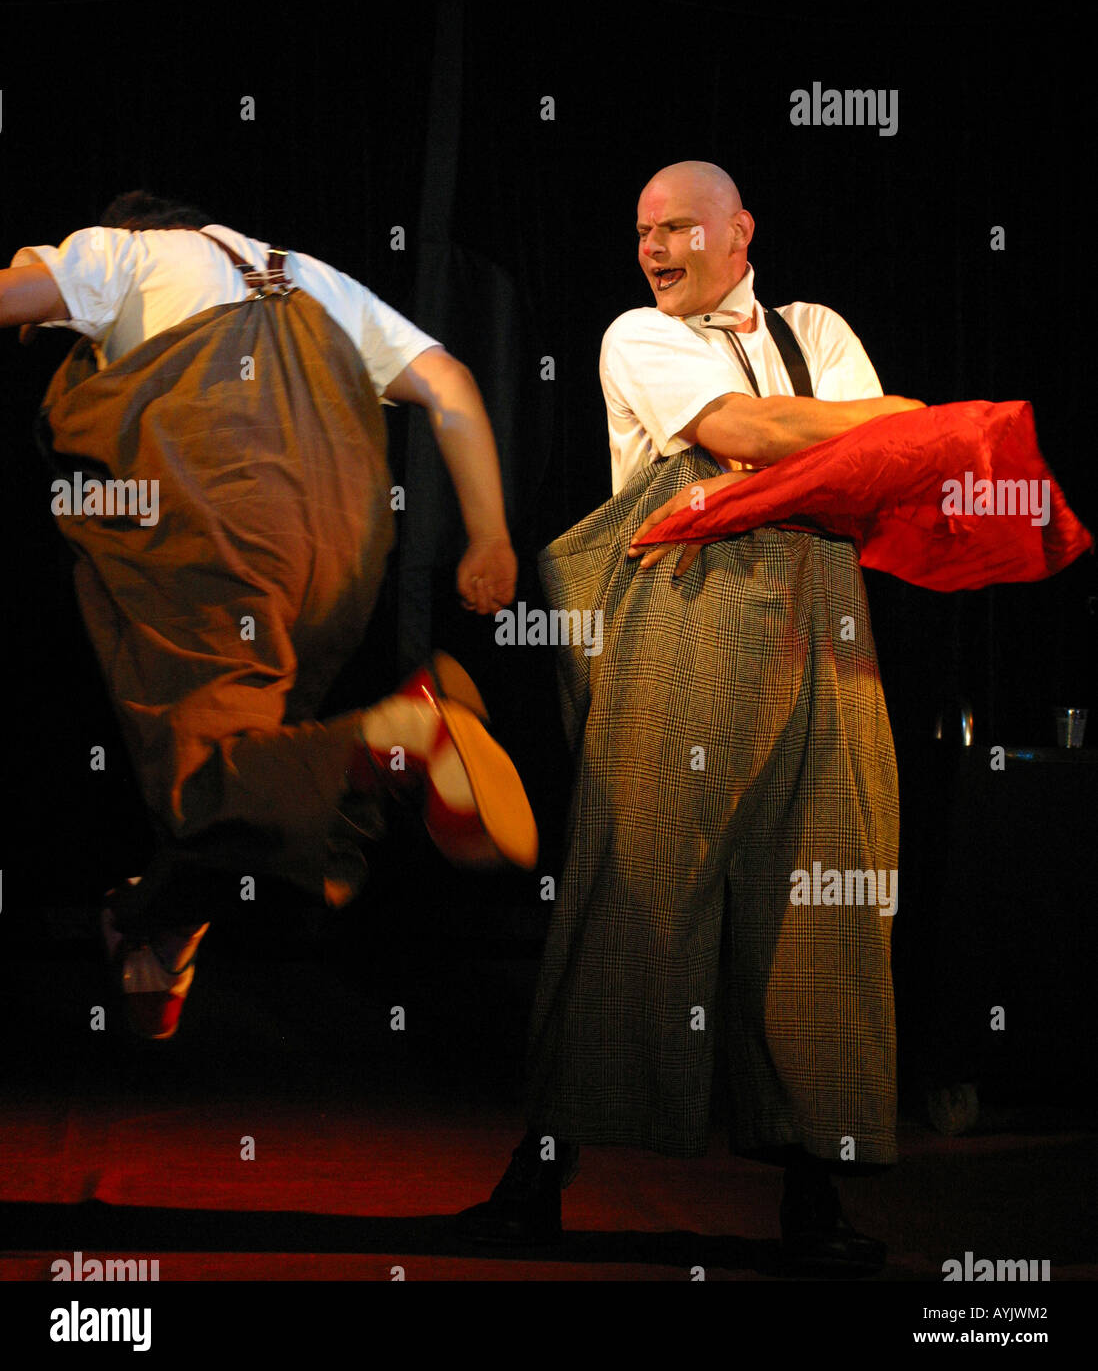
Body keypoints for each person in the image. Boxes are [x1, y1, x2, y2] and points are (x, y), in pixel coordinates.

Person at [458, 161, 923, 1275]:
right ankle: (540, 1175)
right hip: (689, 618)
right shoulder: (636, 335)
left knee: (829, 899)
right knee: (638, 887)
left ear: (740, 230)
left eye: (675, 228)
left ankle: (817, 1201)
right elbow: (744, 430)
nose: (653, 249)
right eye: (642, 231)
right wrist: (865, 427)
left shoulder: (818, 327)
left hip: (824, 628)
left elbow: (873, 471)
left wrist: (853, 436)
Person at [1, 191, 537, 1042]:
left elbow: (14, 293)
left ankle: (400, 735)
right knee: (265, 774)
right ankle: (155, 924)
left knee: (205, 781)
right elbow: (450, 385)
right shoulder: (310, 280)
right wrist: (491, 536)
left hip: (225, 523)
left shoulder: (126, 253)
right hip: (343, 549)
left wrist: (46, 294)